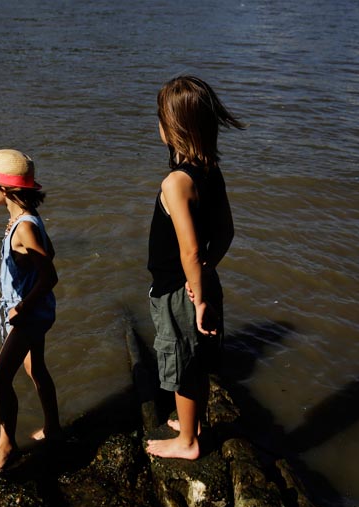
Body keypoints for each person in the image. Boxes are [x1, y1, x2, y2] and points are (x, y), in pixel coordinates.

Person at [146, 75, 244, 460]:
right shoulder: (211, 171)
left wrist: (197, 294)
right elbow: (226, 233)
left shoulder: (176, 182)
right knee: (198, 358)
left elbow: (187, 251)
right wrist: (207, 271)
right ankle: (194, 424)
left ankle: (188, 442)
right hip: (201, 282)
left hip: (179, 291)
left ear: (173, 128)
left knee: (180, 363)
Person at [0, 148, 62, 474]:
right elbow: (48, 254)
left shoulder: (23, 228)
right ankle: (53, 427)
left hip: (28, 314)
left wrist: (22, 307)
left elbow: (50, 275)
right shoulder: (25, 221)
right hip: (32, 311)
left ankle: (5, 446)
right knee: (35, 368)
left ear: (6, 190)